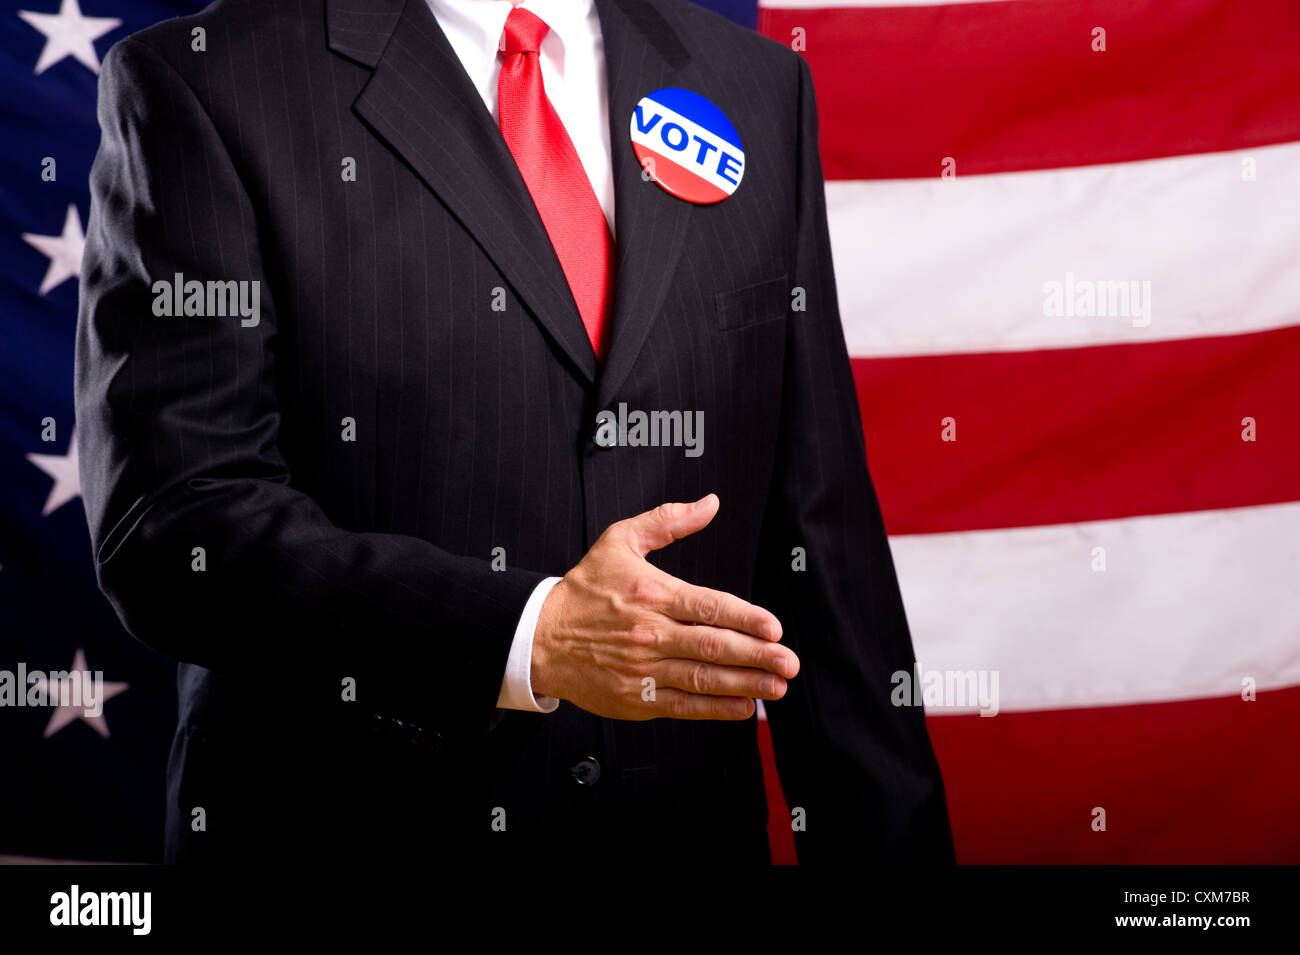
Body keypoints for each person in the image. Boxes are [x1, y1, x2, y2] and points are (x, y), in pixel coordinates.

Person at [75, 0, 954, 865]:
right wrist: (529, 635)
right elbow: (174, 522)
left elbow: (822, 553)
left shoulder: (755, 86)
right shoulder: (202, 80)